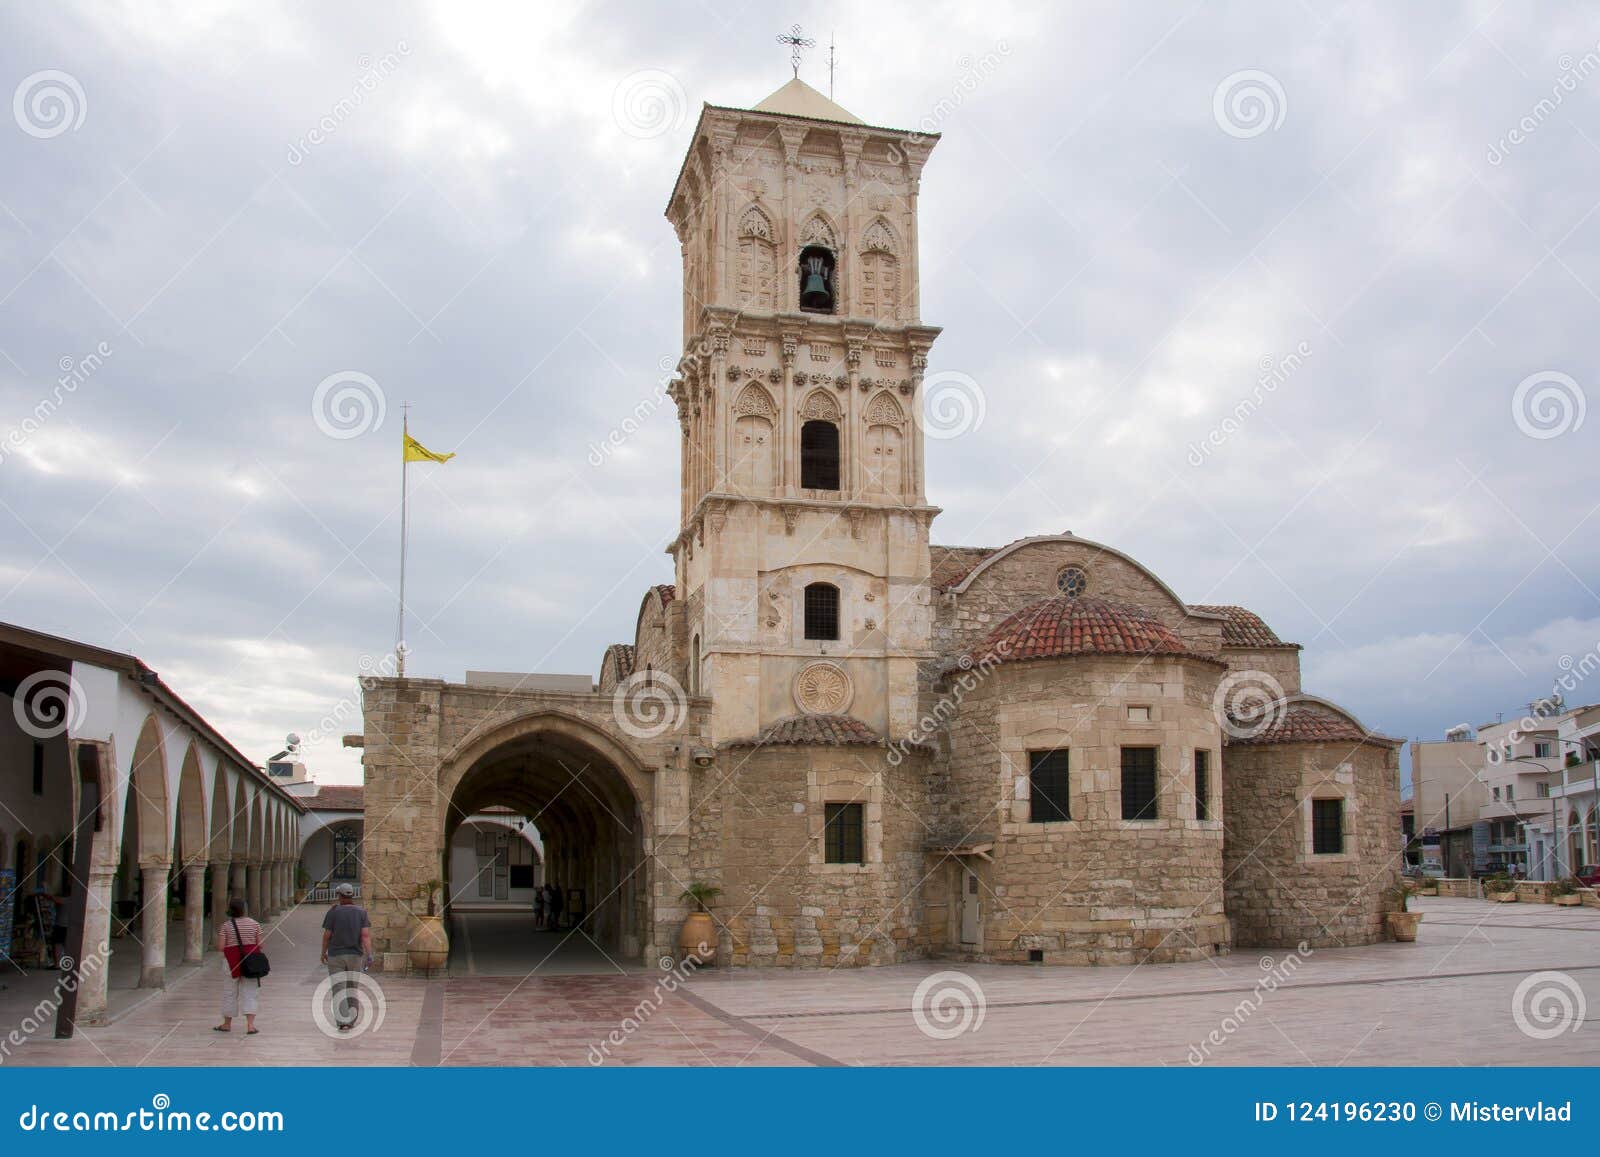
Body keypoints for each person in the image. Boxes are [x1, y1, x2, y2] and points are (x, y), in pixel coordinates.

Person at [320, 882, 372, 1032]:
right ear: (351, 895)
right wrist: (370, 954)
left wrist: (323, 952)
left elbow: (327, 935)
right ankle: (352, 1018)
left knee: (339, 988)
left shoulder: (333, 912)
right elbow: (365, 935)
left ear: (340, 896)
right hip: (355, 955)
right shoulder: (362, 913)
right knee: (352, 988)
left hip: (336, 955)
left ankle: (343, 1022)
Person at [215, 897, 263, 1035]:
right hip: (251, 963)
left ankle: (227, 1024)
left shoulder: (226, 926)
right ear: (244, 909)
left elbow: (220, 947)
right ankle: (250, 1025)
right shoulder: (255, 924)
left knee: (229, 993)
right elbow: (260, 944)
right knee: (250, 993)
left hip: (231, 963)